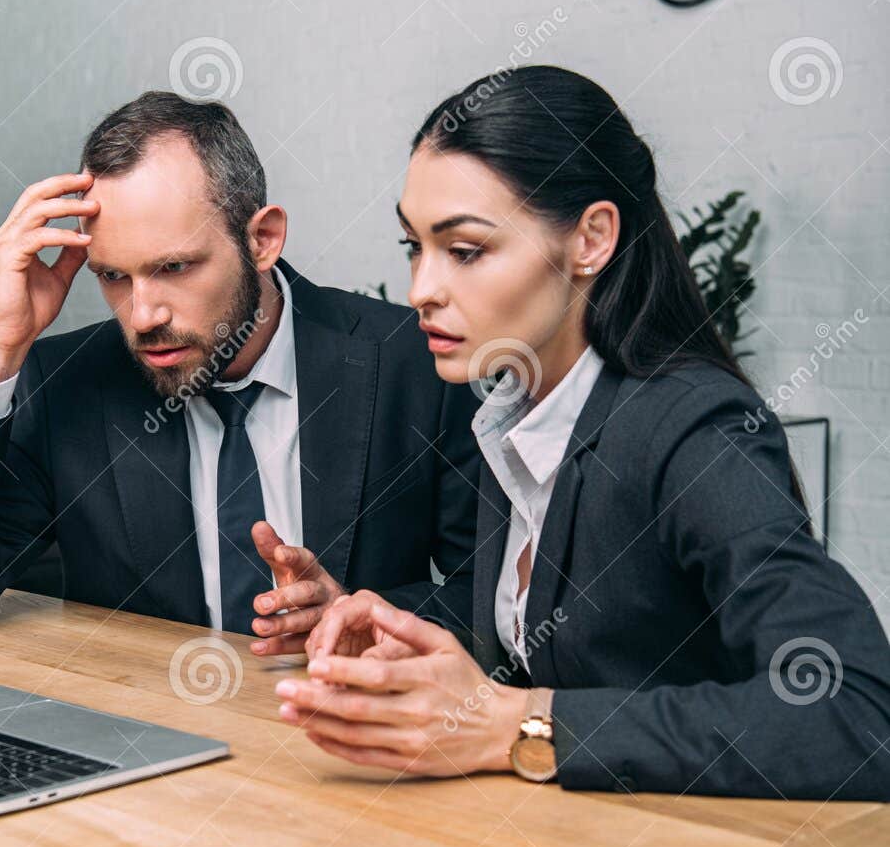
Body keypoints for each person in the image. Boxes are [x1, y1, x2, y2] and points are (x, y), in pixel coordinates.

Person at [275, 65, 890, 800]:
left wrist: (517, 726)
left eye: (464, 250)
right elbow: (565, 621)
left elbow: (859, 713)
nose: (421, 290)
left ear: (591, 238)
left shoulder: (694, 428)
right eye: (414, 246)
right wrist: (379, 615)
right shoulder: (516, 408)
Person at [0, 92, 479, 650]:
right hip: (144, 716)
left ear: (262, 240)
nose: (143, 316)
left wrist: (360, 618)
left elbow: (492, 603)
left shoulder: (415, 362)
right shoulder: (65, 382)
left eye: (173, 267)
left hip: (345, 711)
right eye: (113, 276)